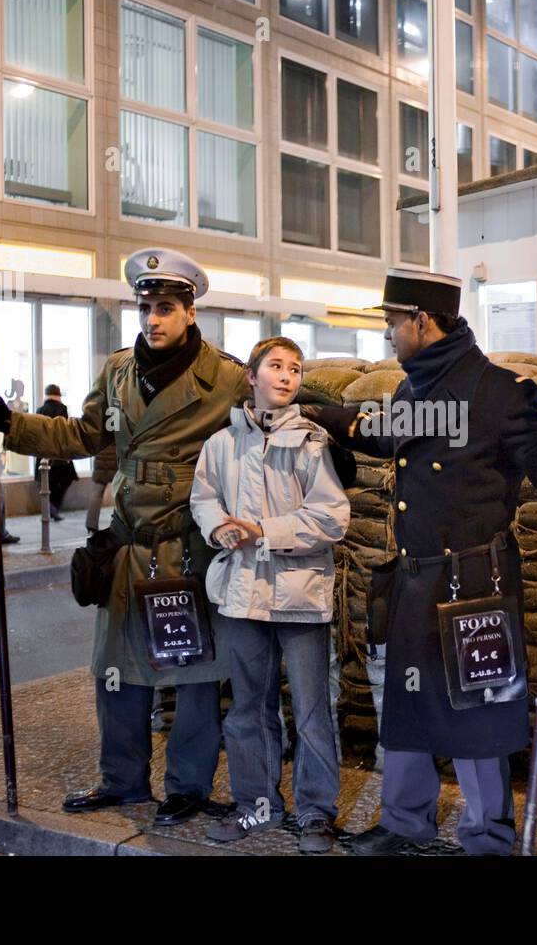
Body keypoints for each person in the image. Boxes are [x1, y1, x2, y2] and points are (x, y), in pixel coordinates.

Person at [305, 268, 537, 855]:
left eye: (392, 321)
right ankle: (404, 824)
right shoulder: (413, 390)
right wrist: (316, 413)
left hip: (475, 580)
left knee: (479, 712)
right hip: (416, 574)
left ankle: (487, 836)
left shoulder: (499, 390)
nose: (387, 333)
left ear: (422, 319)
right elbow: (384, 436)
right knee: (408, 701)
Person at [0, 248, 246, 828]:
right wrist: (10, 424)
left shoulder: (227, 378)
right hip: (127, 546)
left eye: (166, 308)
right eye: (147, 307)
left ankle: (189, 786)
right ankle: (122, 780)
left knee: (194, 672)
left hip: (186, 547)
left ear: (190, 312)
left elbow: (267, 431)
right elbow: (82, 433)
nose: (153, 319)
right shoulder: (119, 371)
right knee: (117, 669)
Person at [191, 336, 349, 854]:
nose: (286, 376)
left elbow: (331, 517)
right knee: (248, 710)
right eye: (275, 366)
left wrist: (262, 529)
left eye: (295, 369)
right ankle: (255, 805)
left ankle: (316, 812)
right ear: (253, 377)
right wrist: (218, 529)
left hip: (301, 597)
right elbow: (205, 497)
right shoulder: (221, 444)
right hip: (242, 593)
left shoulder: (312, 443)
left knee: (310, 710)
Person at [35, 385, 78, 521]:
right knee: (67, 479)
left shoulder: (40, 410)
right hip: (59, 452)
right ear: (58, 395)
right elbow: (64, 431)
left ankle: (51, 508)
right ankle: (53, 507)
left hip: (43, 452)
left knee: (49, 482)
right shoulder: (62, 409)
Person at [85, 443, 118, 533]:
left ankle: (91, 524)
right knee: (124, 490)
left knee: (96, 493)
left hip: (100, 459)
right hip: (116, 460)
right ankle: (123, 523)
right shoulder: (119, 429)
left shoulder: (102, 428)